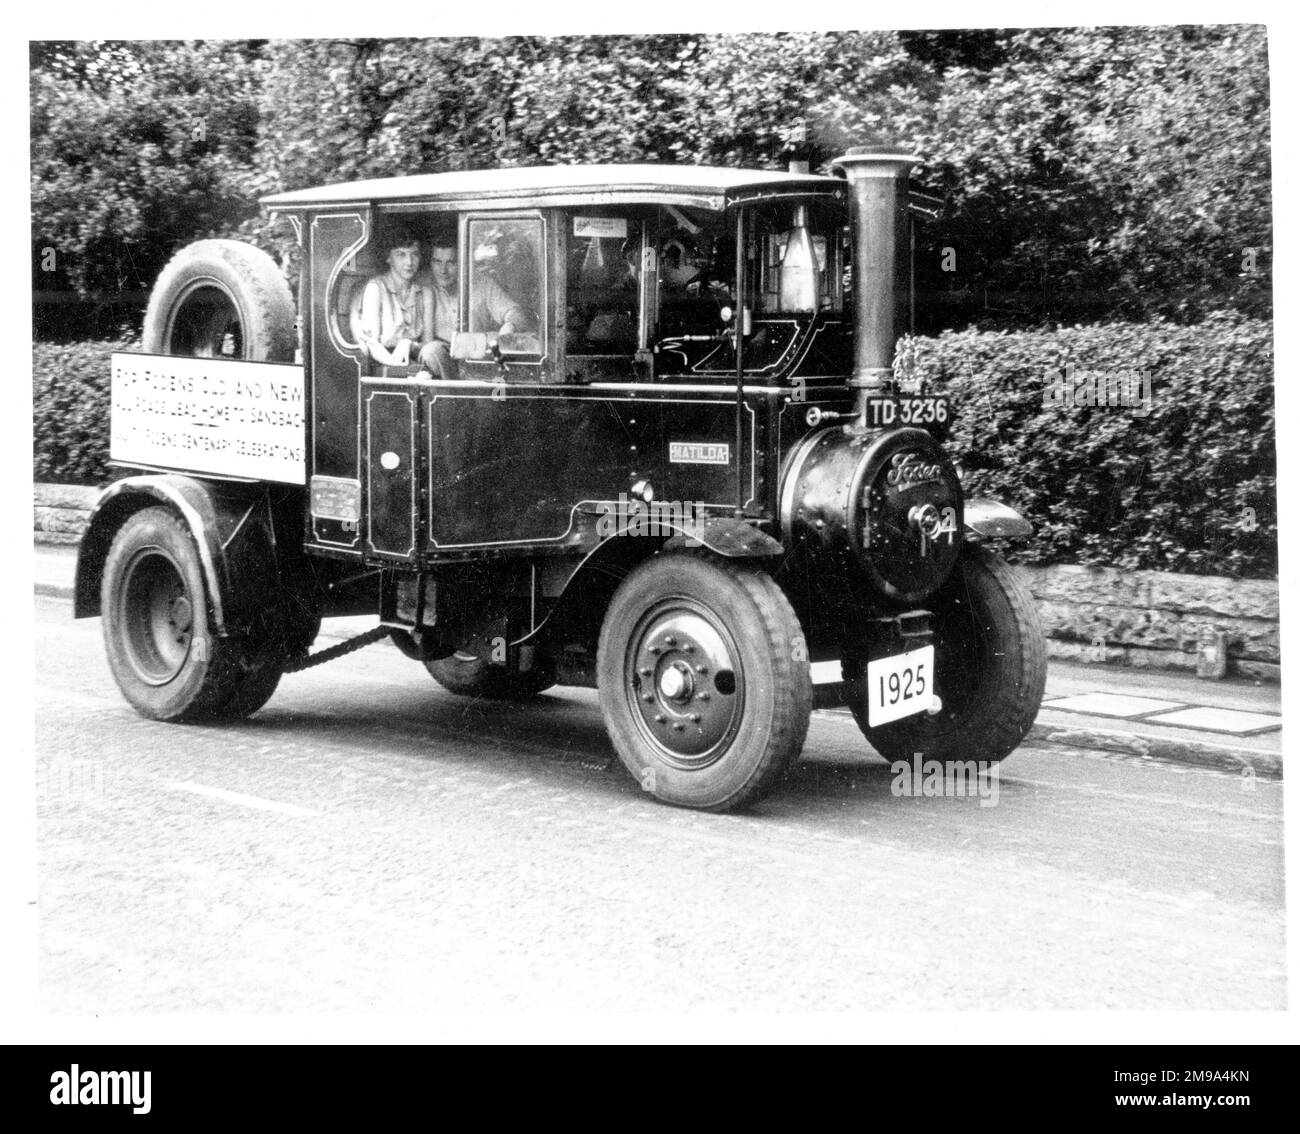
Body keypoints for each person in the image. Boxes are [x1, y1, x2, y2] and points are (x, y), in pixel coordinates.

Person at [355, 228, 446, 375]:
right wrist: (395, 363)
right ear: (388, 258)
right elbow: (372, 344)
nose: (409, 262)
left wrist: (409, 344)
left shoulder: (425, 293)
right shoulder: (376, 288)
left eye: (414, 254)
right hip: (384, 364)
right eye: (401, 255)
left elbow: (428, 345)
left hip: (416, 363)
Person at [427, 240, 531, 341]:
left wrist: (510, 326)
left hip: (473, 350)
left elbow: (515, 314)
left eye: (451, 263)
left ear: (462, 263)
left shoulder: (482, 284)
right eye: (437, 262)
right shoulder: (424, 285)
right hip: (435, 350)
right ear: (430, 262)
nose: (443, 270)